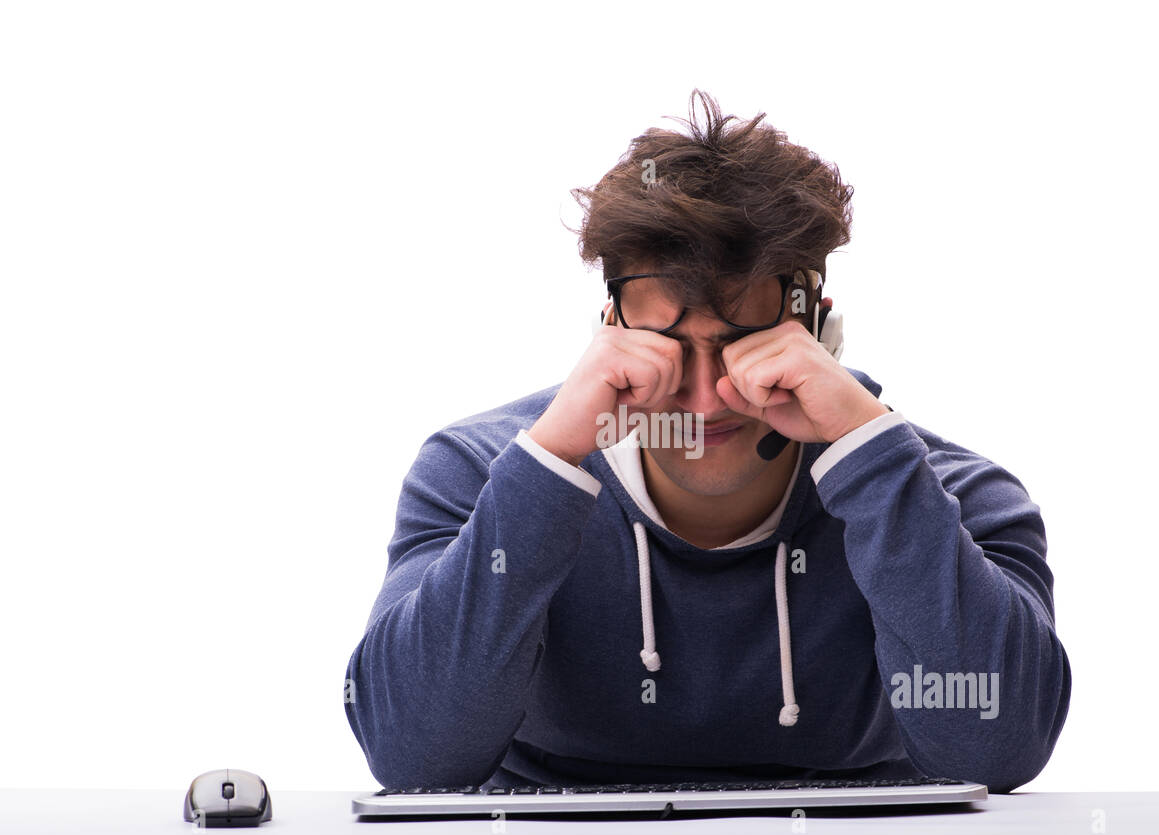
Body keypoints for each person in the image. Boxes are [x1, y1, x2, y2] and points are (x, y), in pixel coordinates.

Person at [344, 90, 1071, 794]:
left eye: (741, 348)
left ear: (819, 333)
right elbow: (412, 753)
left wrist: (869, 449)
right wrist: (553, 461)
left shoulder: (955, 495)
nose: (704, 397)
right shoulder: (476, 474)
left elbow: (998, 746)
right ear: (610, 332)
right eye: (667, 349)